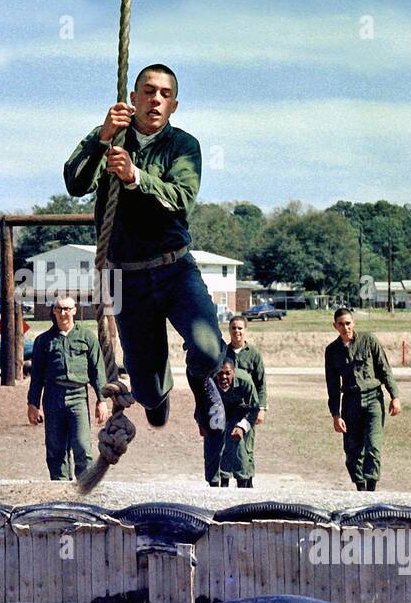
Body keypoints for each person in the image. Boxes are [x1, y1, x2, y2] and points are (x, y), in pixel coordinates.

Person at [64, 64, 227, 435]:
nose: (156, 99)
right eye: (149, 91)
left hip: (174, 270)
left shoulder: (184, 146)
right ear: (133, 98)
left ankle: (202, 385)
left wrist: (135, 177)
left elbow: (181, 199)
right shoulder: (110, 136)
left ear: (174, 106)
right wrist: (103, 137)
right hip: (127, 278)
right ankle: (159, 391)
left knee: (208, 349)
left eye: (165, 94)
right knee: (149, 395)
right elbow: (76, 182)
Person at [26, 294, 108, 480]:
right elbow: (37, 376)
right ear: (54, 311)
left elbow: (98, 371)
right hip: (53, 396)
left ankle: (84, 491)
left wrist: (102, 401)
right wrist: (33, 403)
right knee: (56, 450)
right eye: (59, 309)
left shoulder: (87, 337)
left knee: (82, 447)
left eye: (67, 309)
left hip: (78, 396)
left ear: (74, 311)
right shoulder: (44, 341)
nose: (63, 313)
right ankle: (60, 492)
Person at [325, 307, 402, 492]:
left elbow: (385, 370)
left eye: (348, 323)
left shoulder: (369, 341)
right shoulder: (332, 351)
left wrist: (395, 396)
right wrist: (336, 415)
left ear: (354, 323)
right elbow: (333, 386)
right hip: (350, 402)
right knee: (352, 452)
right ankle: (360, 490)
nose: (346, 328)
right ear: (335, 326)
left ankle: (371, 490)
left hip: (373, 399)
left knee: (373, 447)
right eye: (341, 324)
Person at [203, 359, 261, 488]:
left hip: (240, 413)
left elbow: (254, 408)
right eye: (220, 373)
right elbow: (201, 404)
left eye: (227, 373)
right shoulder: (208, 381)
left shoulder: (245, 381)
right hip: (218, 412)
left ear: (233, 373)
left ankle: (244, 483)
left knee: (240, 446)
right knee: (212, 445)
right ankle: (217, 484)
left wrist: (242, 426)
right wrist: (201, 423)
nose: (223, 377)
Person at [226, 313, 267, 467]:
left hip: (248, 407)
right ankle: (224, 484)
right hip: (228, 407)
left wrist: (261, 409)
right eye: (234, 328)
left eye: (240, 328)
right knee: (227, 447)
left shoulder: (254, 354)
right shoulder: (223, 352)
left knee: (246, 447)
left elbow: (261, 383)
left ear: (245, 330)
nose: (237, 331)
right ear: (229, 330)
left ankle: (246, 483)